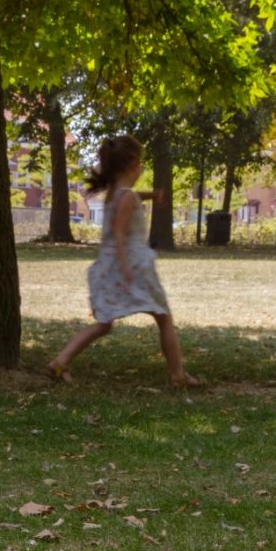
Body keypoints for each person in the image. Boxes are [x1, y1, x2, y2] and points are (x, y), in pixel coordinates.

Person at [49, 132, 204, 388]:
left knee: (104, 324)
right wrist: (124, 267)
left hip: (109, 266)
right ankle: (178, 375)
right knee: (164, 317)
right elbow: (120, 232)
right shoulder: (126, 197)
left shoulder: (114, 194)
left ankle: (60, 362)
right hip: (132, 265)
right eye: (140, 162)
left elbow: (130, 199)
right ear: (132, 164)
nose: (142, 167)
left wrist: (152, 195)